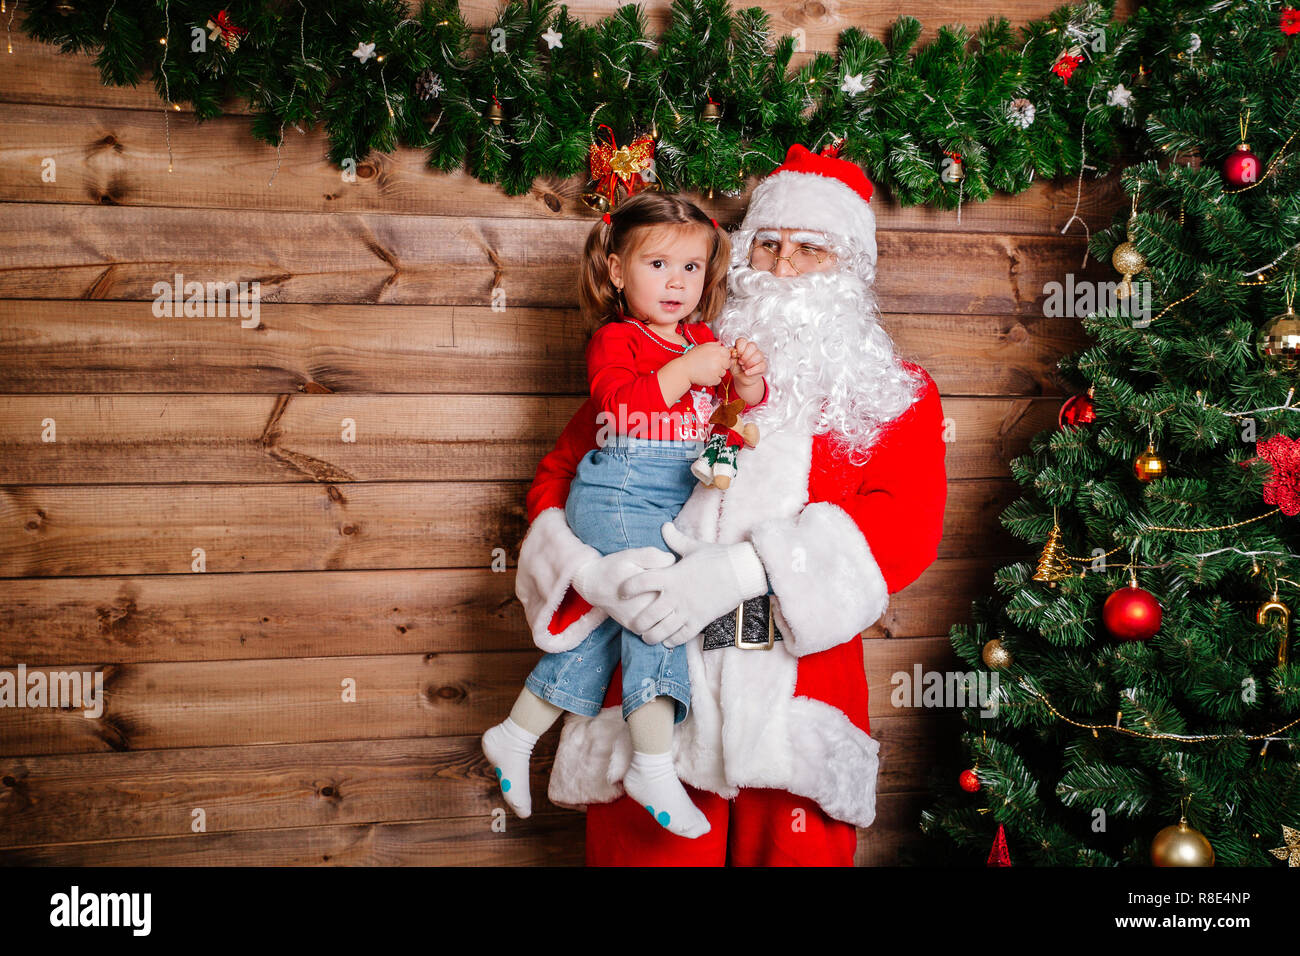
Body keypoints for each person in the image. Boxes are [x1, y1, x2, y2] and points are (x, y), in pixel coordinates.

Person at [515, 142, 949, 865]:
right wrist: (591, 577)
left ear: (853, 268)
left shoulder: (890, 389)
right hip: (656, 667)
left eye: (811, 250)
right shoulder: (679, 362)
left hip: (797, 693)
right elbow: (565, 471)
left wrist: (739, 574)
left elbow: (903, 533)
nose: (782, 268)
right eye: (768, 245)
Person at [482, 191, 769, 839]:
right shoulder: (618, 339)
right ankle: (652, 762)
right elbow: (619, 402)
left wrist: (746, 379)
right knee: (656, 614)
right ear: (615, 270)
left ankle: (516, 732)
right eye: (658, 265)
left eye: (691, 269)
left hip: (664, 501)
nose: (676, 283)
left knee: (607, 630)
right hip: (618, 494)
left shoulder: (699, 337)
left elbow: (736, 406)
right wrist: (686, 369)